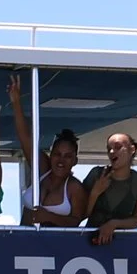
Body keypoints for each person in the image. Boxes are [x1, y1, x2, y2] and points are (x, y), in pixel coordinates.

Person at [8, 74, 87, 226]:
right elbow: (25, 138)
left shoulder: (74, 188)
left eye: (67, 156)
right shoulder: (43, 169)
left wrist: (49, 217)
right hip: (22, 244)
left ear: (75, 161)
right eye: (57, 154)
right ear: (51, 156)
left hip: (52, 248)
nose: (61, 160)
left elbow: (76, 222)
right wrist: (16, 102)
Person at [83, 133, 137, 245]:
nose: (111, 152)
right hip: (90, 243)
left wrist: (113, 224)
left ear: (132, 149)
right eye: (108, 149)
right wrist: (95, 192)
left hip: (122, 246)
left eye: (117, 147)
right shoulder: (97, 174)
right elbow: (81, 214)